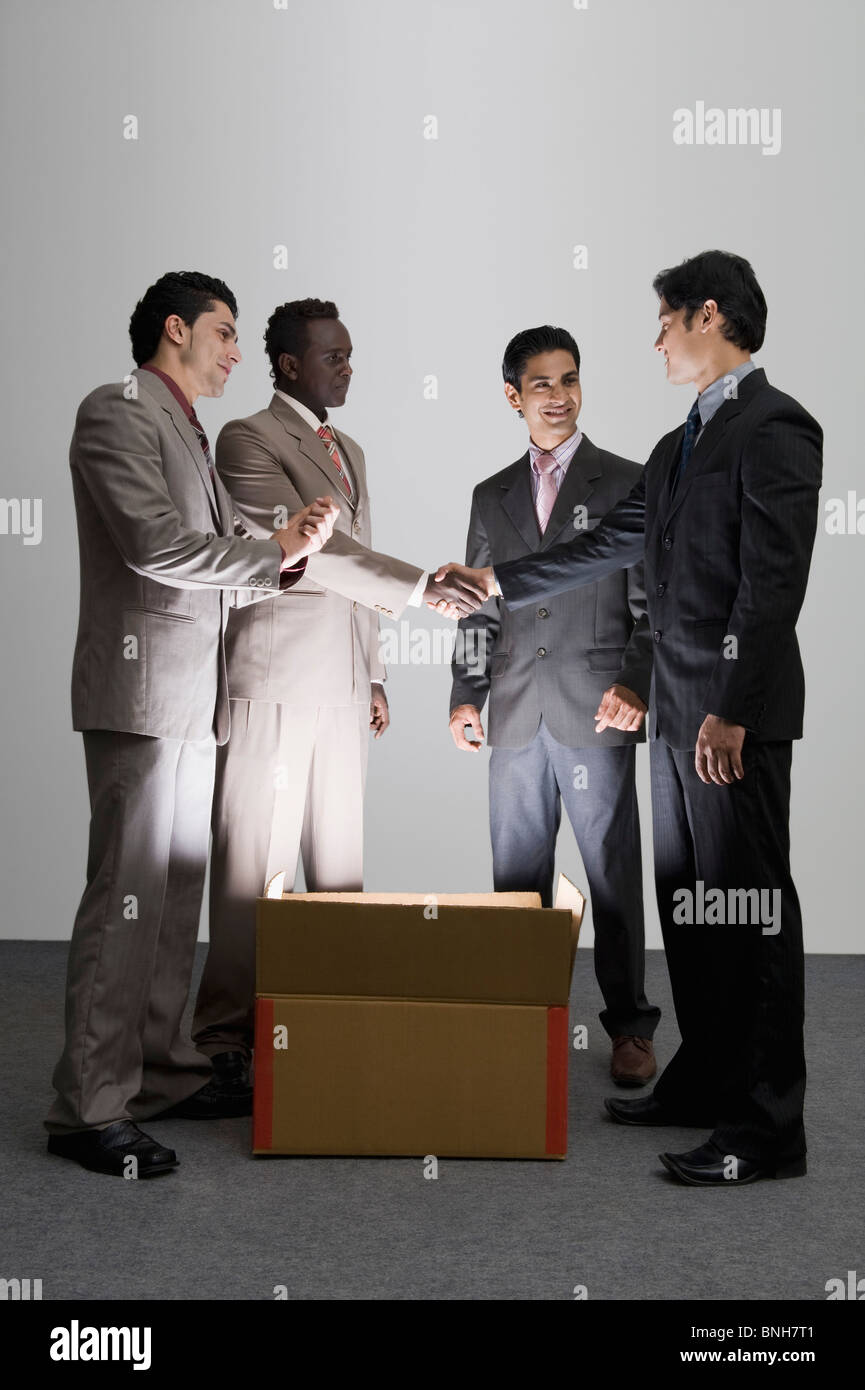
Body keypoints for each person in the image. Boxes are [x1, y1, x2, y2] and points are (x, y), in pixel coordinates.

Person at [441, 251, 822, 1186]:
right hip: (674, 722)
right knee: (690, 907)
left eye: (663, 321)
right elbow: (608, 542)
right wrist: (497, 579)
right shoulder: (676, 444)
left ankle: (768, 1127)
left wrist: (731, 711)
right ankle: (703, 1080)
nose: (653, 339)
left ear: (705, 315)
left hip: (731, 718)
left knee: (751, 910)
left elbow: (773, 587)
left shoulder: (774, 427)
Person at [45, 272, 338, 1176]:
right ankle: (87, 1109)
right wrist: (273, 551)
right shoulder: (118, 410)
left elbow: (204, 548)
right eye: (223, 333)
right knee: (125, 902)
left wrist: (281, 544)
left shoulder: (185, 427)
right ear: (175, 329)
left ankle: (163, 1069)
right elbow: (153, 546)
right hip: (140, 698)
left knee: (171, 903)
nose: (236, 352)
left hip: (187, 700)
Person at [192, 298, 484, 1093]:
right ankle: (222, 1042)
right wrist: (422, 587)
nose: (347, 368)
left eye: (350, 355)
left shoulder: (346, 446)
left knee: (339, 871)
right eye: (332, 357)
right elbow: (307, 555)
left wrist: (376, 674)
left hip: (343, 686)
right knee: (254, 873)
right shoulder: (246, 437)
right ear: (288, 364)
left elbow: (356, 565)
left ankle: (321, 1024)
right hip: (274, 683)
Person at [448, 325, 659, 1085]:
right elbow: (475, 609)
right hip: (511, 712)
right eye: (541, 384)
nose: (559, 396)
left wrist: (633, 684)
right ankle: (520, 1018)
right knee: (516, 880)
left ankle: (630, 1026)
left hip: (595, 706)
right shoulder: (488, 495)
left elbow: (649, 606)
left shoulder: (630, 482)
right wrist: (464, 695)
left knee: (611, 876)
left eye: (569, 380)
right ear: (513, 396)